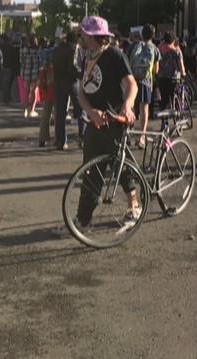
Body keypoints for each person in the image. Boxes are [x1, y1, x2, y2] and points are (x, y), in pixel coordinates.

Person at [53, 16, 140, 236]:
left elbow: (132, 84)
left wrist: (127, 107)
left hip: (113, 121)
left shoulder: (114, 56)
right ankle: (83, 220)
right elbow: (82, 92)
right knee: (91, 172)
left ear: (94, 36)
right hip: (94, 123)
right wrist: (90, 111)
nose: (82, 37)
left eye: (85, 34)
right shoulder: (87, 57)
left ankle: (134, 206)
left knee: (122, 167)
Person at [51, 29, 84, 150]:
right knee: (81, 110)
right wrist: (83, 75)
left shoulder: (57, 49)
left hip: (58, 82)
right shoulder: (73, 49)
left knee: (60, 113)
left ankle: (61, 141)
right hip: (71, 82)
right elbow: (74, 66)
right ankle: (83, 138)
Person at [128, 25, 159, 147]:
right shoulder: (154, 48)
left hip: (132, 80)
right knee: (144, 108)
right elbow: (156, 70)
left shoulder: (134, 46)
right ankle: (142, 137)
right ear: (153, 35)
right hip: (145, 81)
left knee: (130, 107)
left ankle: (128, 134)